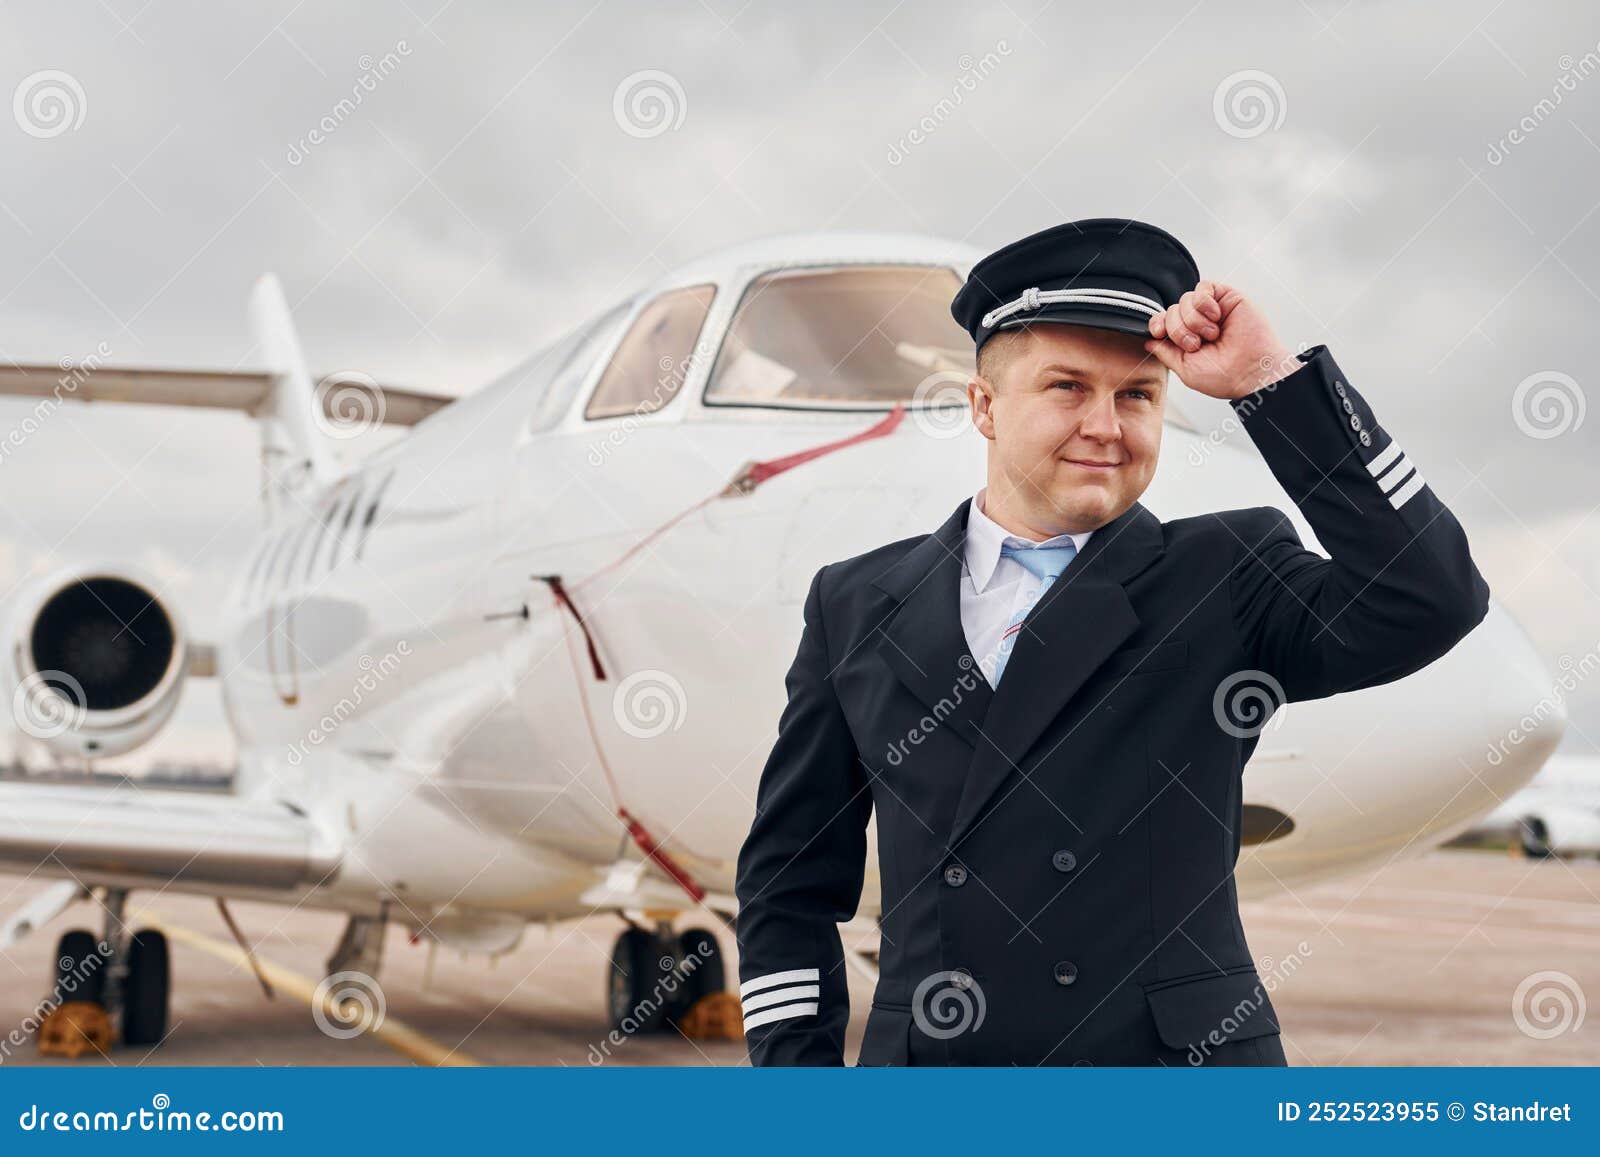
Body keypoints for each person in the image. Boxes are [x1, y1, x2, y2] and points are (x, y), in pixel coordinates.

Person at [733, 218, 1490, 1066]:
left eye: (1138, 395)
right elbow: (788, 881)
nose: (1107, 425)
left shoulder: (1225, 574)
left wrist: (1268, 384)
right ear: (983, 406)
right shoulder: (855, 603)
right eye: (1067, 387)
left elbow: (1430, 596)